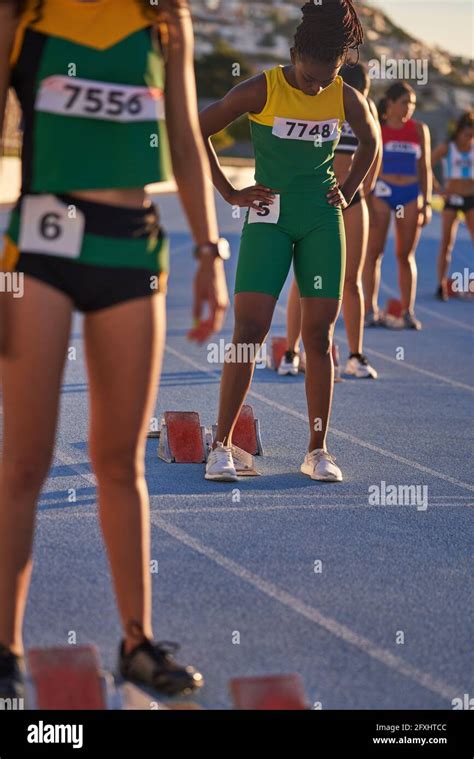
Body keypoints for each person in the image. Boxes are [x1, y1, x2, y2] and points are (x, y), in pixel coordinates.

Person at [0, 0, 229, 699]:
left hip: (131, 247)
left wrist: (211, 251)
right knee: (25, 461)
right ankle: (4, 647)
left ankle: (137, 641)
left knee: (120, 462)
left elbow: (185, 139)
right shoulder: (21, 12)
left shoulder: (164, 17)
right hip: (39, 243)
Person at [200, 0, 377, 483]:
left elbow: (371, 139)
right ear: (295, 53)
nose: (317, 85)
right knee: (249, 331)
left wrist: (350, 189)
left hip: (321, 219)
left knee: (318, 337)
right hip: (269, 219)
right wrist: (230, 192)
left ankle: (317, 450)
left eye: (328, 76)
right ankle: (221, 446)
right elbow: (200, 130)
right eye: (310, 76)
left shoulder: (343, 96)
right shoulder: (261, 88)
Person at [278, 62, 381, 380]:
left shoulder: (367, 109)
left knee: (351, 280)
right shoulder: (321, 103)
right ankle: (291, 353)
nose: (357, 101)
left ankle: (355, 355)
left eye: (362, 96)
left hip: (351, 201)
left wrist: (357, 190)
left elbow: (374, 154)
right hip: (315, 201)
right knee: (303, 281)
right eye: (354, 95)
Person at [363, 82, 432, 330]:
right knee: (374, 252)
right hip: (382, 192)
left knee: (405, 255)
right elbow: (369, 165)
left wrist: (426, 202)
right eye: (405, 102)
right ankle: (370, 310)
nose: (409, 108)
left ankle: (407, 311)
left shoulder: (420, 129)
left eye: (412, 104)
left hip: (411, 194)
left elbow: (425, 168)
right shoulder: (378, 128)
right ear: (390, 104)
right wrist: (368, 198)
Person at [431, 111, 474, 300]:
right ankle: (441, 286)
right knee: (446, 243)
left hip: (471, 198)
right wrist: (438, 189)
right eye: (466, 135)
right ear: (458, 133)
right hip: (451, 200)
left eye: (472, 136)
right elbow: (425, 163)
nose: (468, 139)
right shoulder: (447, 147)